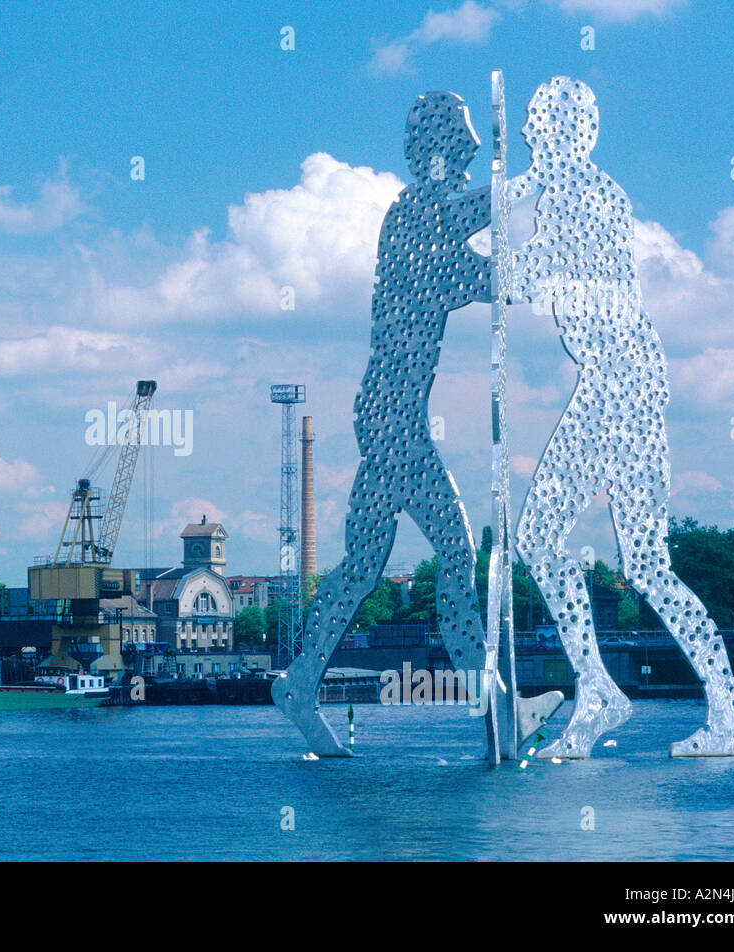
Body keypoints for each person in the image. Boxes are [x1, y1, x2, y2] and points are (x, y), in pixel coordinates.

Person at [508, 77, 734, 758]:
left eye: (538, 127)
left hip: (619, 387)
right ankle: (617, 699)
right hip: (622, 384)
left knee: (558, 543)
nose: (530, 137)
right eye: (528, 126)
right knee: (637, 562)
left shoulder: (579, 197)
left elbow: (527, 276)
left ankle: (611, 695)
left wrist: (479, 241)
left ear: (567, 135)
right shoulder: (572, 192)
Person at [274, 92, 501, 756]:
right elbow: (469, 266)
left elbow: (475, 268)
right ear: (438, 149)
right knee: (456, 556)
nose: (471, 154)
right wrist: (530, 191)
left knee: (362, 568)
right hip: (393, 419)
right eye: (462, 144)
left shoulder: (430, 218)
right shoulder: (413, 215)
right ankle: (492, 707)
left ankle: (299, 683)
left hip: (387, 416)